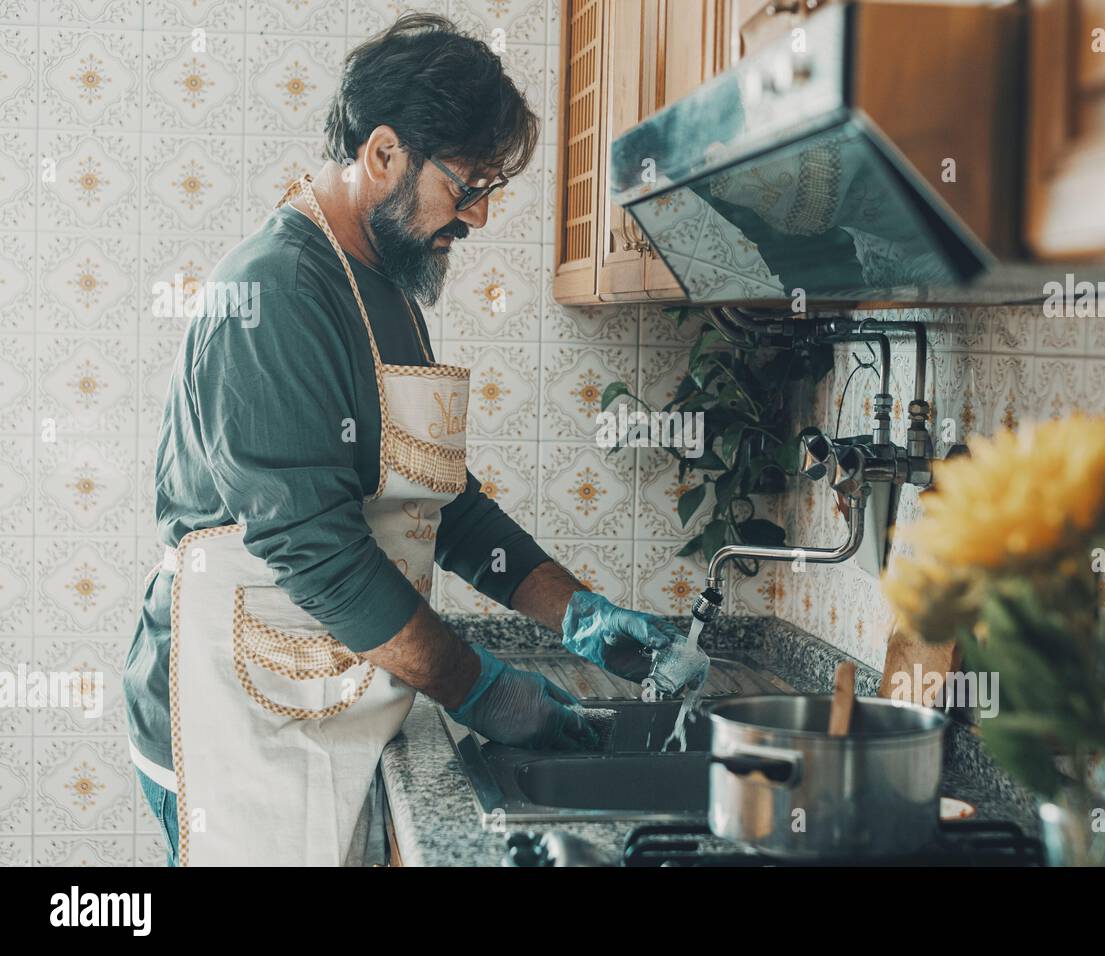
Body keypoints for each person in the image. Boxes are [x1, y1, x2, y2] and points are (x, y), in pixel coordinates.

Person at [124, 12, 693, 867]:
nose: (481, 218)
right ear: (385, 154)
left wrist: (573, 609)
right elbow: (318, 553)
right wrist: (490, 695)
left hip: (321, 690)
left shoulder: (382, 285)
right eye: (467, 187)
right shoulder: (276, 292)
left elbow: (439, 506)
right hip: (237, 710)